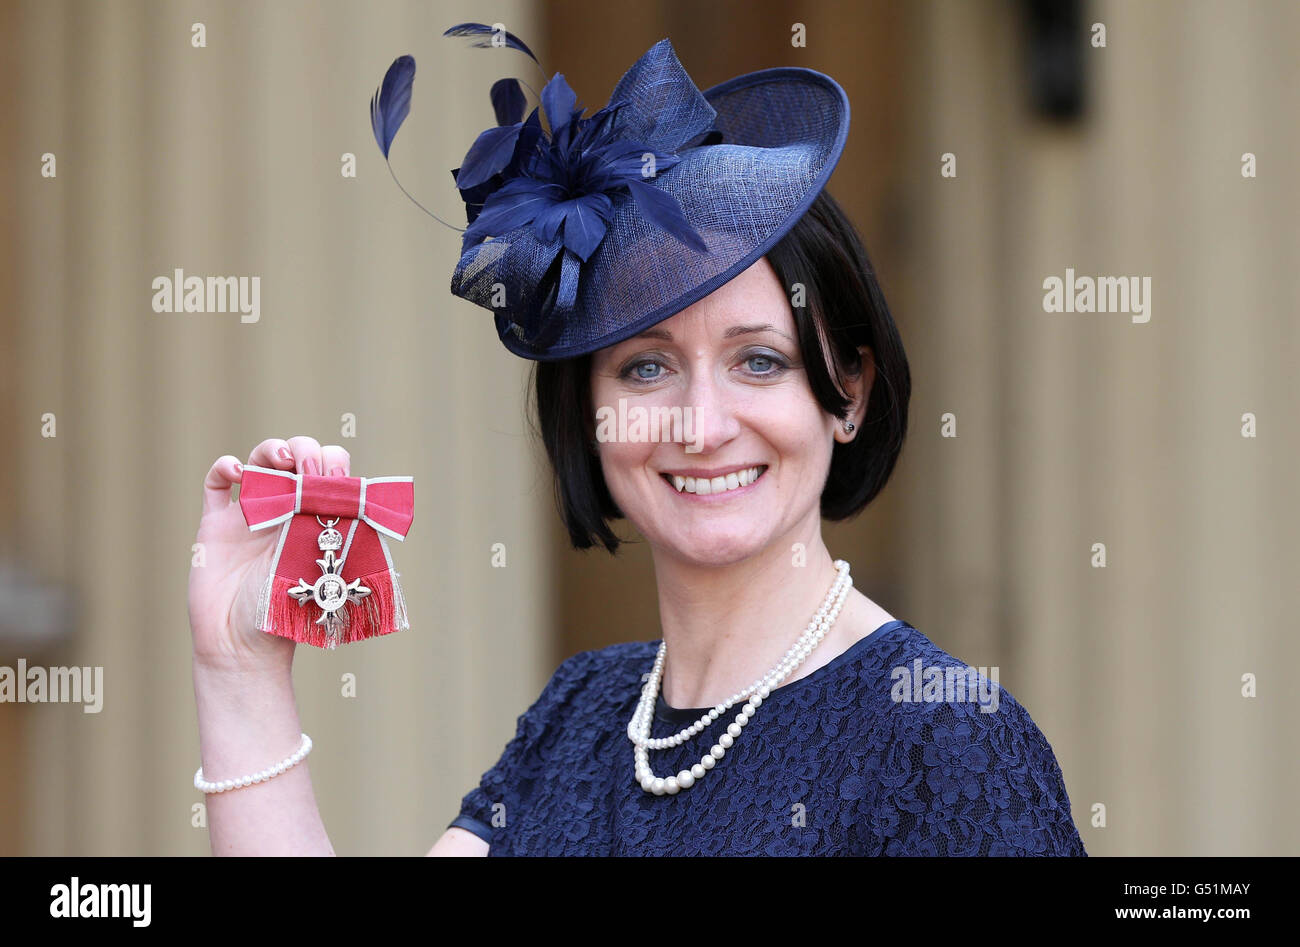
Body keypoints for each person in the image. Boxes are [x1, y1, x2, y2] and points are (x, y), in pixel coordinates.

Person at [188, 31, 1086, 856]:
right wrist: (239, 669)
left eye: (760, 361)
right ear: (588, 412)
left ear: (847, 391)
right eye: (647, 369)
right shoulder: (581, 718)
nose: (700, 426)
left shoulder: (950, 742)